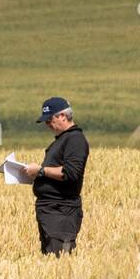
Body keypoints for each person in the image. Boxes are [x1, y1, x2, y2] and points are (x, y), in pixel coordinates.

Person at [22, 96, 89, 255]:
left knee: (60, 258)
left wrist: (41, 170)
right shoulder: (62, 140)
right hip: (51, 211)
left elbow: (71, 173)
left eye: (49, 120)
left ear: (62, 116)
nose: (47, 124)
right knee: (50, 259)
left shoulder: (75, 139)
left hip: (61, 211)